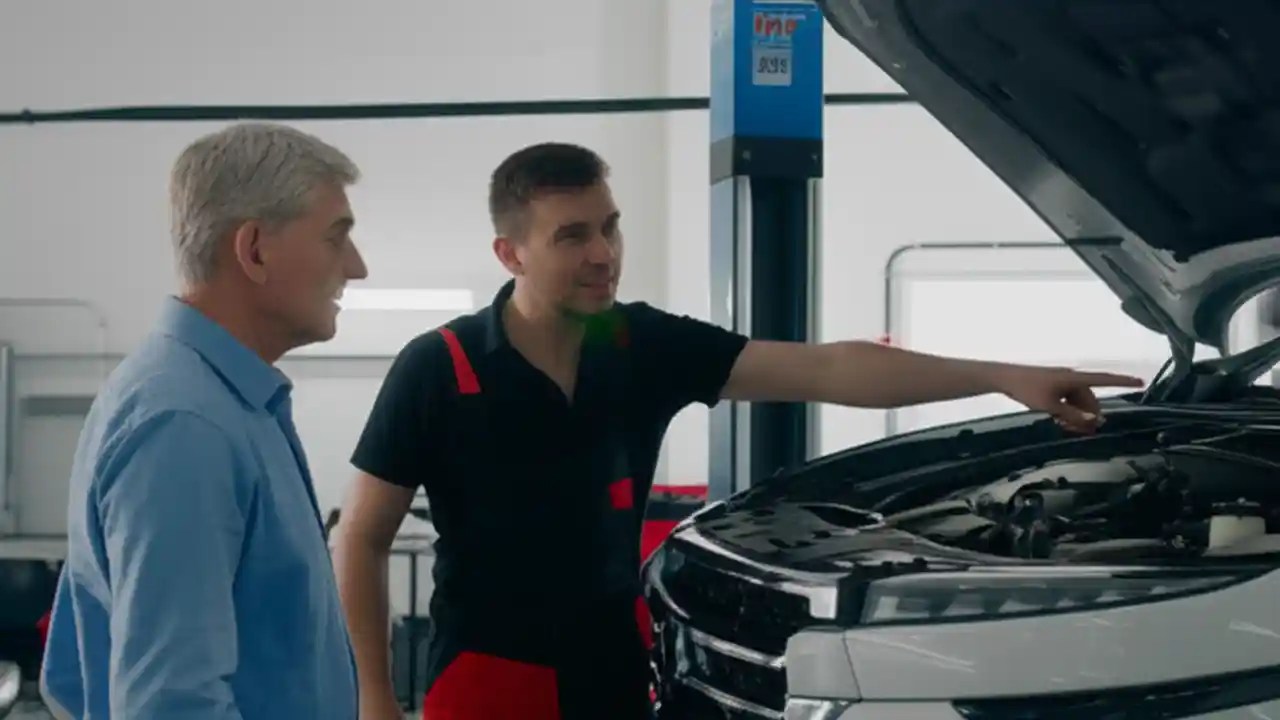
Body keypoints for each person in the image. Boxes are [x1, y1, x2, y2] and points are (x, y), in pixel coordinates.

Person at [332, 142, 1144, 720]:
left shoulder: (639, 344)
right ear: (510, 252)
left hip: (614, 669)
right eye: (572, 235)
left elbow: (827, 368)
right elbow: (361, 538)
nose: (603, 253)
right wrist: (373, 696)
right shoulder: (440, 368)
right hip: (488, 679)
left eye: (609, 226)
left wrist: (1003, 376)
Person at [39, 122, 369, 719]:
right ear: (254, 250)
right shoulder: (186, 424)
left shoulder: (216, 401)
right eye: (336, 237)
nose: (356, 266)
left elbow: (68, 674)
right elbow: (170, 706)